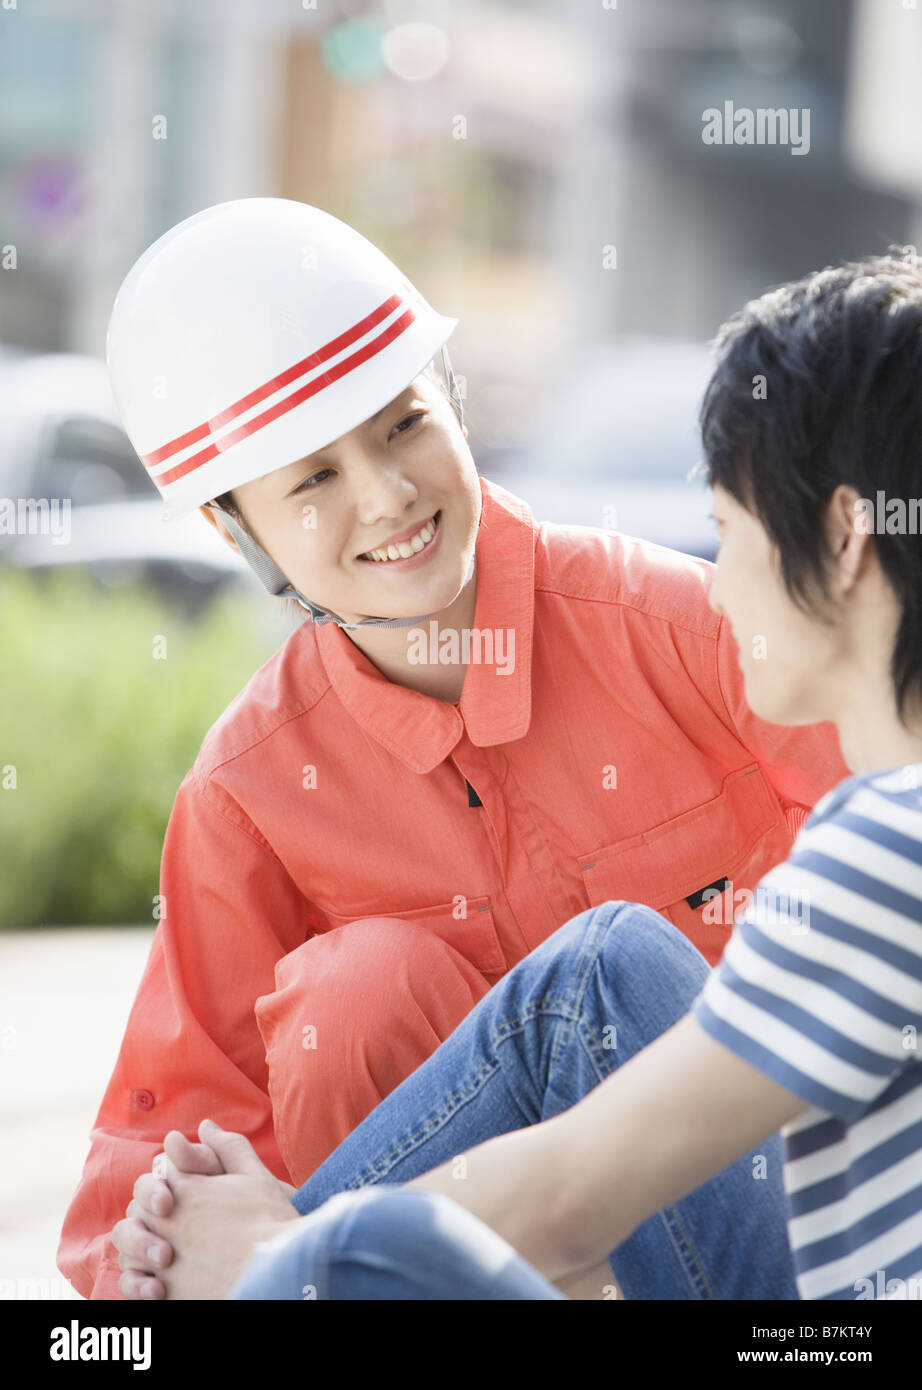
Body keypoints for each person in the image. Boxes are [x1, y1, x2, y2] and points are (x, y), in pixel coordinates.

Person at [60, 198, 848, 1301]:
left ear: (454, 403)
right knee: (357, 995)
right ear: (232, 528)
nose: (387, 496)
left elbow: (882, 916)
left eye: (401, 425)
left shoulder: (693, 631)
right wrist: (158, 1243)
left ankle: (308, 1262)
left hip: (772, 1260)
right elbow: (147, 1189)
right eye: (313, 478)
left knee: (603, 969)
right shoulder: (247, 797)